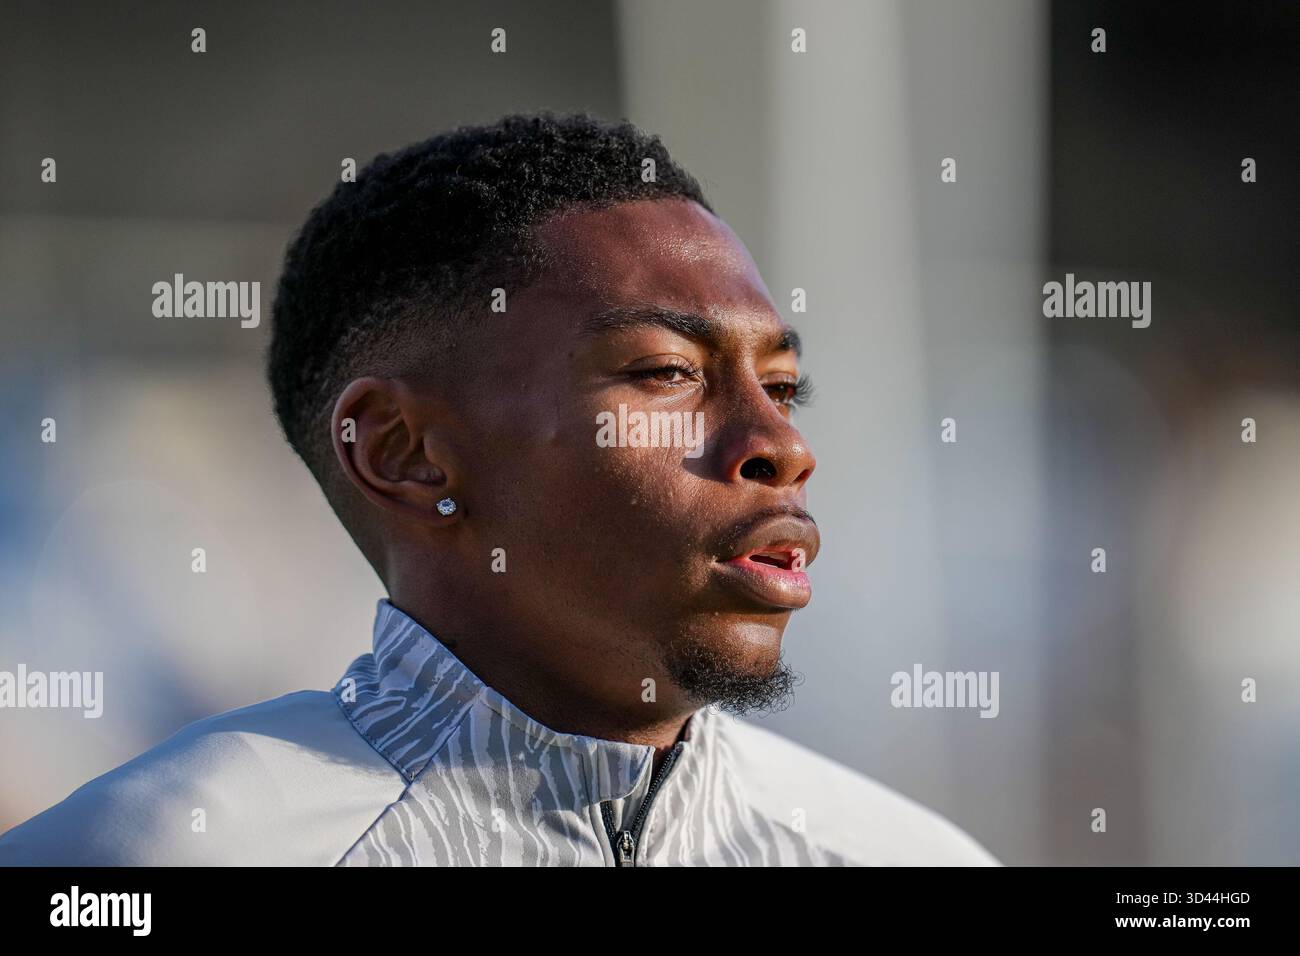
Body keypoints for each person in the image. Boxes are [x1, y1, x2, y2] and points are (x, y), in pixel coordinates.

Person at [0, 113, 998, 866]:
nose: (778, 443)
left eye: (781, 385)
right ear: (404, 453)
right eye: (664, 372)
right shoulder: (151, 853)